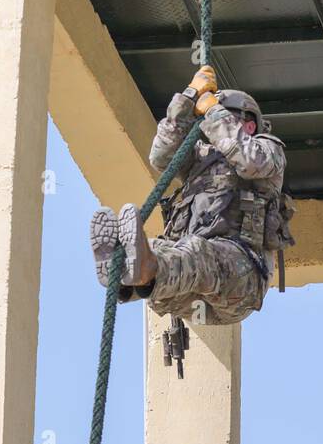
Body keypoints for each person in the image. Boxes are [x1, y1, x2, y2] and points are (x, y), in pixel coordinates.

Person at [89, 67, 291, 324]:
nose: (210, 125)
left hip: (240, 282)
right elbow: (161, 157)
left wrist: (212, 109)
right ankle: (127, 280)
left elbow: (250, 161)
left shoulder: (268, 150)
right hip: (188, 291)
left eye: (223, 115)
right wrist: (188, 98)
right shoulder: (200, 160)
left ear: (249, 124)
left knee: (197, 252)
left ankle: (143, 270)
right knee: (156, 248)